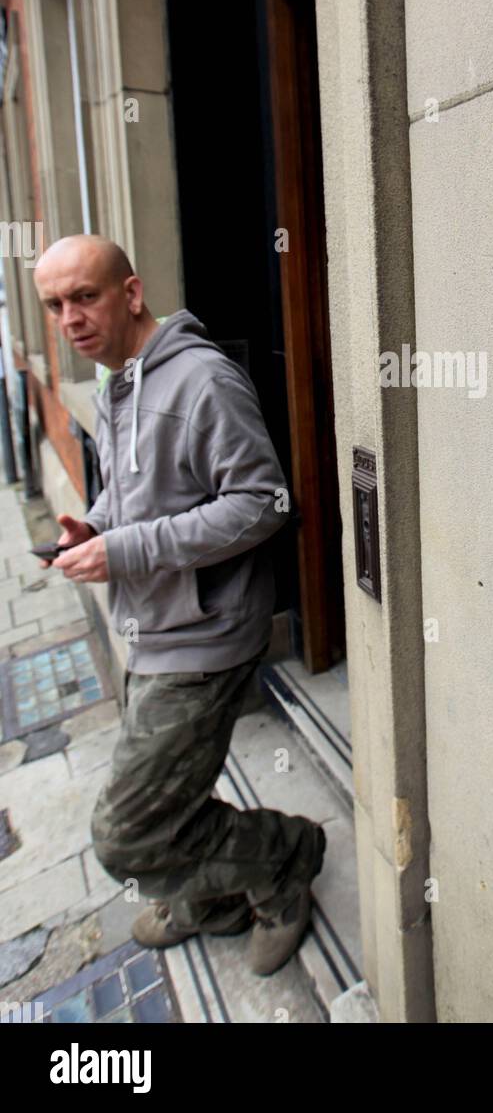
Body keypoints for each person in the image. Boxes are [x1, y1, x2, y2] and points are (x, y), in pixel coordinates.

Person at [32, 234, 325, 976]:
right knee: (173, 796)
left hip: (204, 640)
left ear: (131, 293)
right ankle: (213, 900)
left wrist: (124, 551)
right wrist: (96, 523)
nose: (70, 319)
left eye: (85, 297)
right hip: (154, 626)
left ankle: (284, 858)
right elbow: (142, 488)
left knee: (125, 836)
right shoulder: (118, 382)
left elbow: (263, 504)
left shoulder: (201, 380)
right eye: (54, 305)